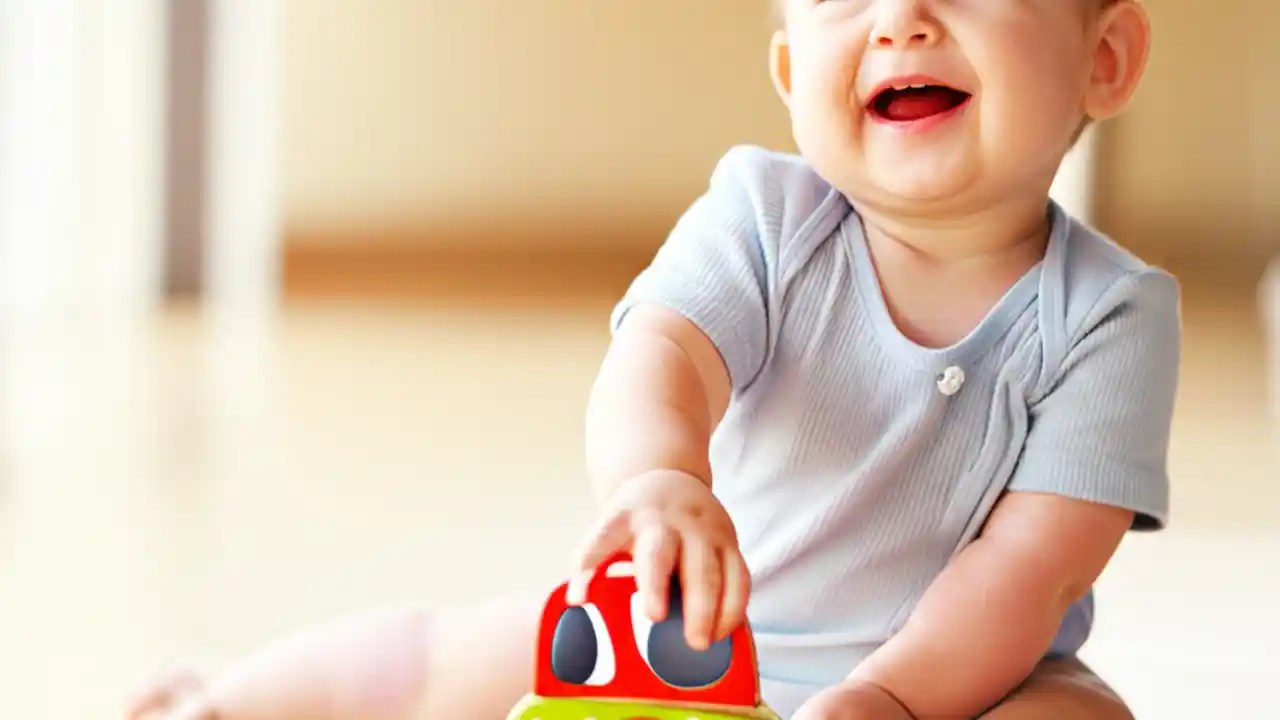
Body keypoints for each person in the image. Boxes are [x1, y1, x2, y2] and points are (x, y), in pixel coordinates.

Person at [128, 1, 1175, 718]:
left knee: (1078, 711)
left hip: (967, 679)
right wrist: (658, 481)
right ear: (786, 72)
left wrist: (891, 698)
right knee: (449, 663)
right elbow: (664, 351)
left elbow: (1032, 570)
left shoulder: (1111, 315)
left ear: (1105, 57)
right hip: (695, 629)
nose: (898, 16)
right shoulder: (767, 218)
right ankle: (231, 700)